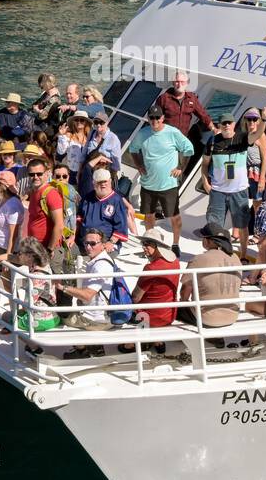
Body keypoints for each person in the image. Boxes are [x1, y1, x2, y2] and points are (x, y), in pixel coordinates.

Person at [198, 112, 265, 261]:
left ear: (234, 124)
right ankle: (216, 255)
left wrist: (264, 118)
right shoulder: (213, 141)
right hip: (218, 192)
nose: (226, 125)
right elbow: (204, 164)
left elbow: (259, 133)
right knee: (214, 225)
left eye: (229, 123)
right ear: (219, 126)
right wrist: (205, 182)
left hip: (239, 191)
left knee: (242, 226)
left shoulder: (242, 138)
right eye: (223, 123)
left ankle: (242, 256)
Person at [128, 105, 194, 250]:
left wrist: (180, 168)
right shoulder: (142, 133)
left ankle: (176, 244)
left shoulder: (172, 133)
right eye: (152, 117)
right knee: (149, 216)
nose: (155, 120)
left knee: (174, 217)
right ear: (148, 118)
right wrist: (139, 165)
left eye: (158, 117)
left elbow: (189, 149)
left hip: (168, 185)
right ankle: (149, 242)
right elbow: (133, 149)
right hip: (148, 185)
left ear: (163, 118)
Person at [59, 227, 117, 357]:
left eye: (93, 244)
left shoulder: (101, 266)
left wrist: (62, 288)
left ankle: (81, 350)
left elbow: (87, 295)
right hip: (102, 316)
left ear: (102, 245)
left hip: (97, 321)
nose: (89, 247)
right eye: (86, 243)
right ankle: (96, 348)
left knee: (62, 317)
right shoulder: (100, 260)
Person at [178, 222, 243, 328]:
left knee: (174, 309)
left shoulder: (198, 260)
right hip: (233, 315)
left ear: (207, 241)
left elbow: (185, 291)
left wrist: (183, 303)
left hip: (206, 318)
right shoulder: (235, 258)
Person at [132, 227, 181, 331]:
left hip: (149, 318)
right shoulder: (176, 262)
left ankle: (133, 344)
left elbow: (136, 297)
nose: (144, 247)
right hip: (170, 315)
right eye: (143, 244)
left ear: (157, 245)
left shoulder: (150, 268)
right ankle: (158, 342)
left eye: (147, 243)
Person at [76, 168, 131, 251]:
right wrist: (73, 237)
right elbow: (79, 219)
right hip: (84, 242)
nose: (103, 184)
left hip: (105, 244)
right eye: (99, 182)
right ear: (93, 183)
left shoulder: (117, 200)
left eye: (105, 181)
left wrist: (111, 242)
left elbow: (121, 227)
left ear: (110, 181)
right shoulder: (88, 197)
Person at [77, 110, 123, 200]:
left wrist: (109, 180)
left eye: (101, 122)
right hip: (88, 174)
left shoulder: (113, 138)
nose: (98, 125)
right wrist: (79, 173)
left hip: (102, 175)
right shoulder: (92, 134)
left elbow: (116, 164)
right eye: (96, 122)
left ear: (107, 123)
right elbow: (84, 154)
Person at [57, 108, 92, 175]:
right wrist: (61, 135)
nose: (79, 122)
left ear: (86, 122)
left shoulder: (90, 138)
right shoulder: (69, 135)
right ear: (74, 122)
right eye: (76, 120)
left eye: (82, 120)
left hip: (82, 173)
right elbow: (61, 152)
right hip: (67, 172)